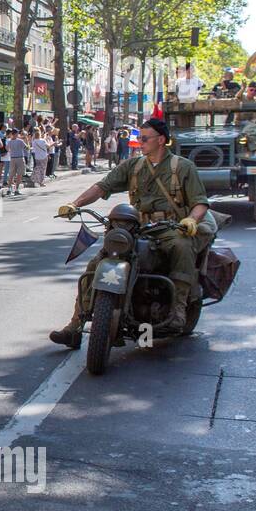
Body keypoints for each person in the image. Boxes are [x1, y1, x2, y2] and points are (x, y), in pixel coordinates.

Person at [51, 116, 210, 345]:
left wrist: (192, 220)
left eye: (144, 138)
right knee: (98, 262)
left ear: (161, 140)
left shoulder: (183, 167)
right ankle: (75, 326)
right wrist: (75, 204)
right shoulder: (133, 166)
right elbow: (102, 186)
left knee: (182, 246)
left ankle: (178, 311)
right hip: (137, 228)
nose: (140, 142)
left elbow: (200, 202)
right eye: (139, 138)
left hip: (170, 227)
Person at [6, 129, 28, 196]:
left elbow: (7, 148)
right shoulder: (20, 141)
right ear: (15, 134)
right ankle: (16, 190)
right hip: (20, 158)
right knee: (19, 174)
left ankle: (9, 189)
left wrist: (11, 151)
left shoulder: (9, 141)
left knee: (11, 174)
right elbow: (26, 148)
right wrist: (26, 140)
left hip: (12, 158)